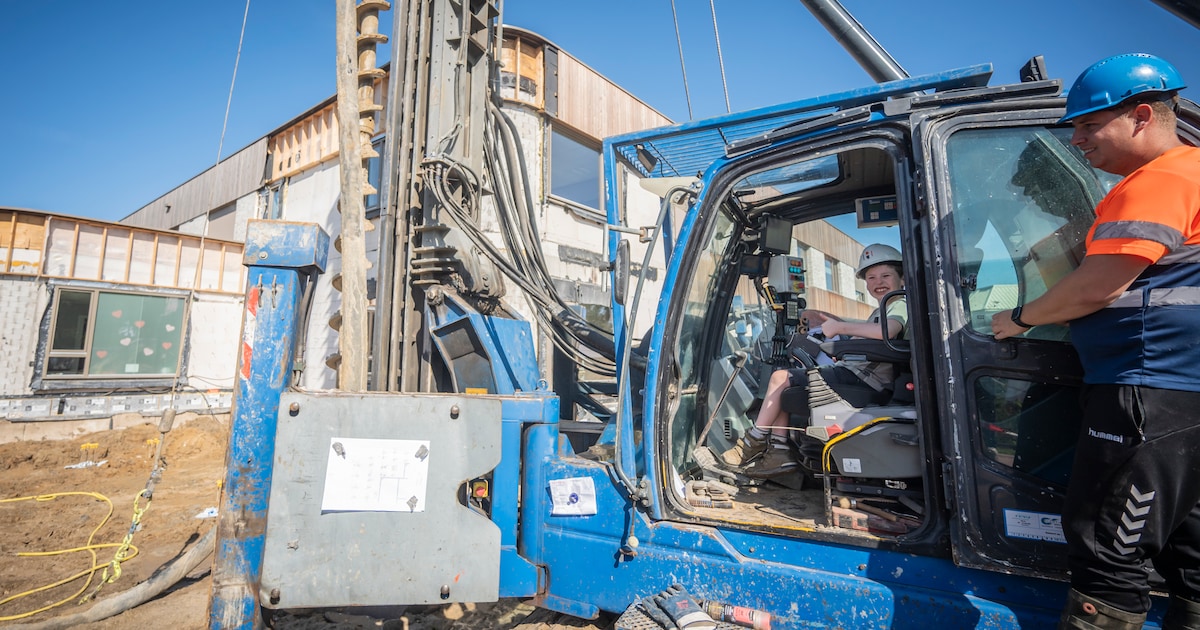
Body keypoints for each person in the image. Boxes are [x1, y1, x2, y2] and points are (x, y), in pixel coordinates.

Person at [990, 53, 1200, 630]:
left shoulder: (1160, 179)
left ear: (1140, 115)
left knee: (1108, 548)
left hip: (1148, 393)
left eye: (1087, 125)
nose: (1078, 139)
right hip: (1177, 395)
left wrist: (1019, 319)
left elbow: (1098, 286)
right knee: (1190, 552)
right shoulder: (1188, 176)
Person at [723, 243, 908, 478]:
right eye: (871, 277)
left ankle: (752, 442)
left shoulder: (899, 303)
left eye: (885, 275)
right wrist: (842, 343)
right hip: (860, 375)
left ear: (901, 278)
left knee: (780, 378)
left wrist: (840, 327)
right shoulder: (886, 306)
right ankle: (779, 449)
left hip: (864, 381)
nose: (878, 282)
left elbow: (889, 331)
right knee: (786, 382)